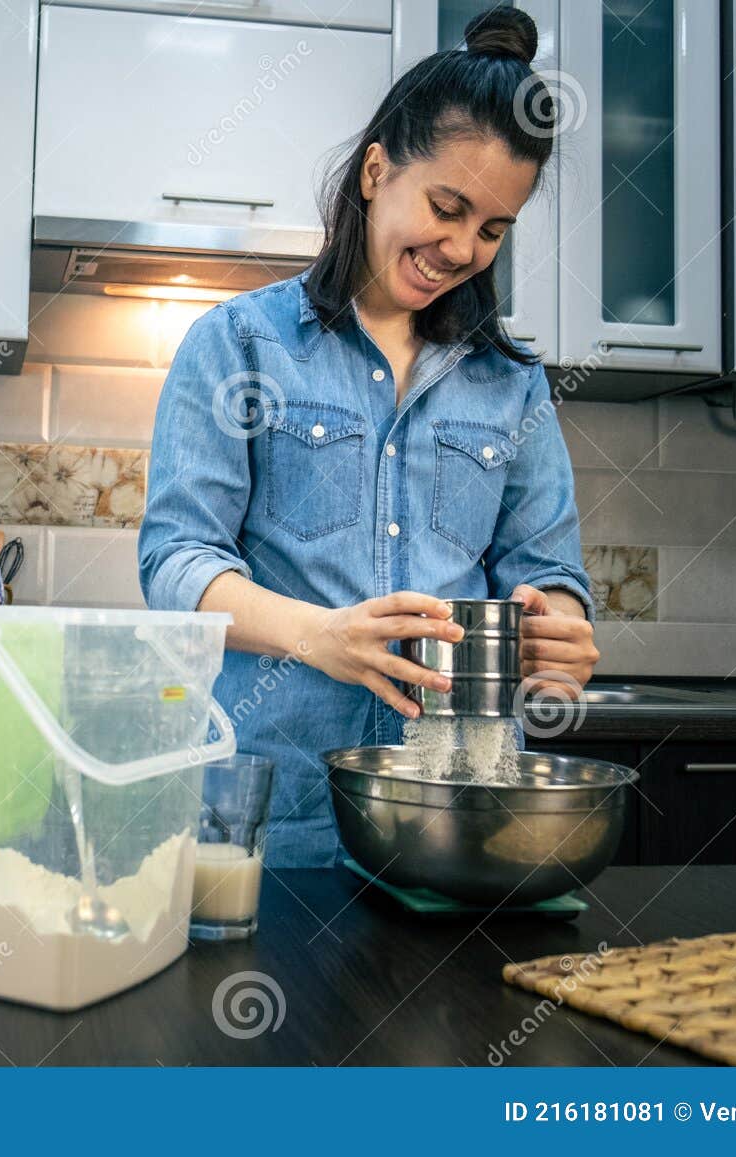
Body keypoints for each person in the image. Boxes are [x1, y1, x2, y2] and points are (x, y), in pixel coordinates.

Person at [138, 6, 600, 867]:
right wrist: (316, 633)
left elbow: (548, 573)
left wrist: (558, 629)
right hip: (272, 822)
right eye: (447, 206)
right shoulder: (241, 346)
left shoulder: (512, 382)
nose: (462, 247)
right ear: (375, 171)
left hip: (462, 819)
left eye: (493, 229)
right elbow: (176, 563)